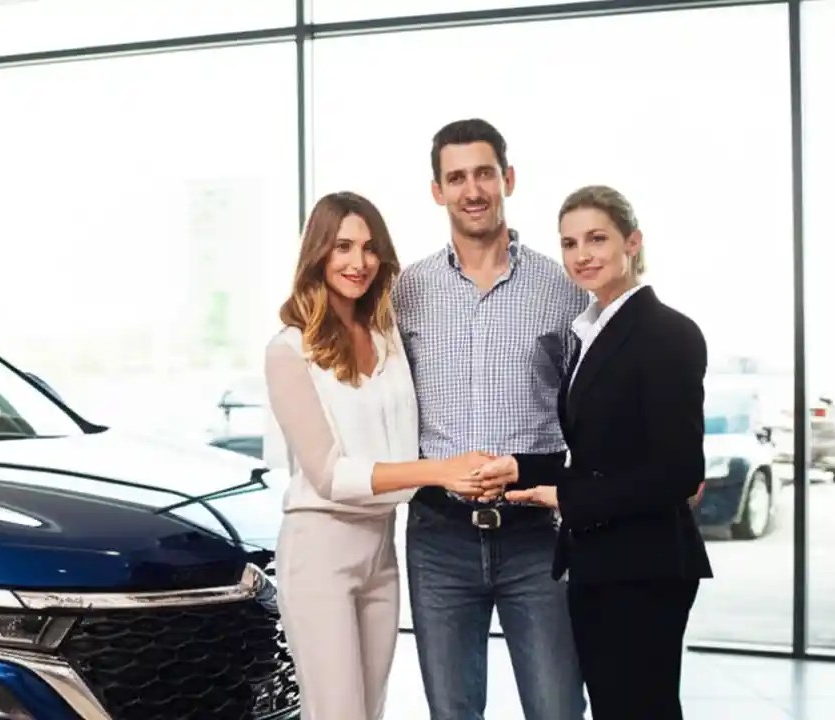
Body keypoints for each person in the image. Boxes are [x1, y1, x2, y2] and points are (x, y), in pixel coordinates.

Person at [264, 190, 506, 720]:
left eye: (370, 248)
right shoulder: (288, 350)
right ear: (318, 253)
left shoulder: (385, 333)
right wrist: (442, 471)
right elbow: (329, 475)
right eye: (343, 246)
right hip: (320, 550)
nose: (359, 262)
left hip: (381, 550)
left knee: (370, 712)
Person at [393, 118, 588, 720]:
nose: (472, 190)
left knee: (557, 708)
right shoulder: (408, 291)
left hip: (536, 537)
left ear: (507, 178)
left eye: (483, 173)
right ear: (437, 191)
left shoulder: (561, 290)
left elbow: (589, 407)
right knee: (453, 713)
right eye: (456, 178)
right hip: (438, 539)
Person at [500, 184, 713, 720]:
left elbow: (679, 471)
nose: (582, 255)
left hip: (644, 564)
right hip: (602, 558)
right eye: (570, 243)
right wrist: (520, 468)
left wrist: (567, 499)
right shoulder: (591, 332)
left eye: (597, 239)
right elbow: (594, 453)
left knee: (640, 708)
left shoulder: (667, 334)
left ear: (632, 242)